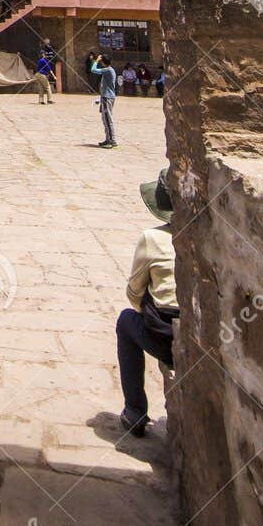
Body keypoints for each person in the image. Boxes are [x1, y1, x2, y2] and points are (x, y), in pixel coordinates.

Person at [116, 167, 177, 435]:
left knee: (126, 321)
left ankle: (135, 411)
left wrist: (148, 311)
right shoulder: (211, 235)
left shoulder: (153, 238)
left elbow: (134, 294)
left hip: (166, 336)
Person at [89, 54, 117, 147]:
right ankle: (108, 139)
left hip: (107, 97)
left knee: (108, 119)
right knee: (105, 119)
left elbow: (93, 70)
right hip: (106, 97)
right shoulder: (109, 70)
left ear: (103, 62)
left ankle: (112, 141)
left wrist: (96, 61)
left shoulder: (108, 70)